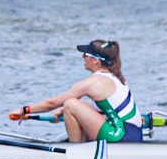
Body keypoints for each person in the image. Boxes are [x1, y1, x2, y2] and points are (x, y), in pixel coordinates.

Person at [12, 39, 142, 143]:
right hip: (134, 134)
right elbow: (101, 110)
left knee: (70, 104)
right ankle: (82, 144)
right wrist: (60, 113)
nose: (82, 57)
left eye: (85, 55)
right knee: (75, 104)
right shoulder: (117, 78)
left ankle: (77, 150)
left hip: (119, 135)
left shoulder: (93, 82)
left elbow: (52, 103)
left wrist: (24, 110)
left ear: (95, 60)